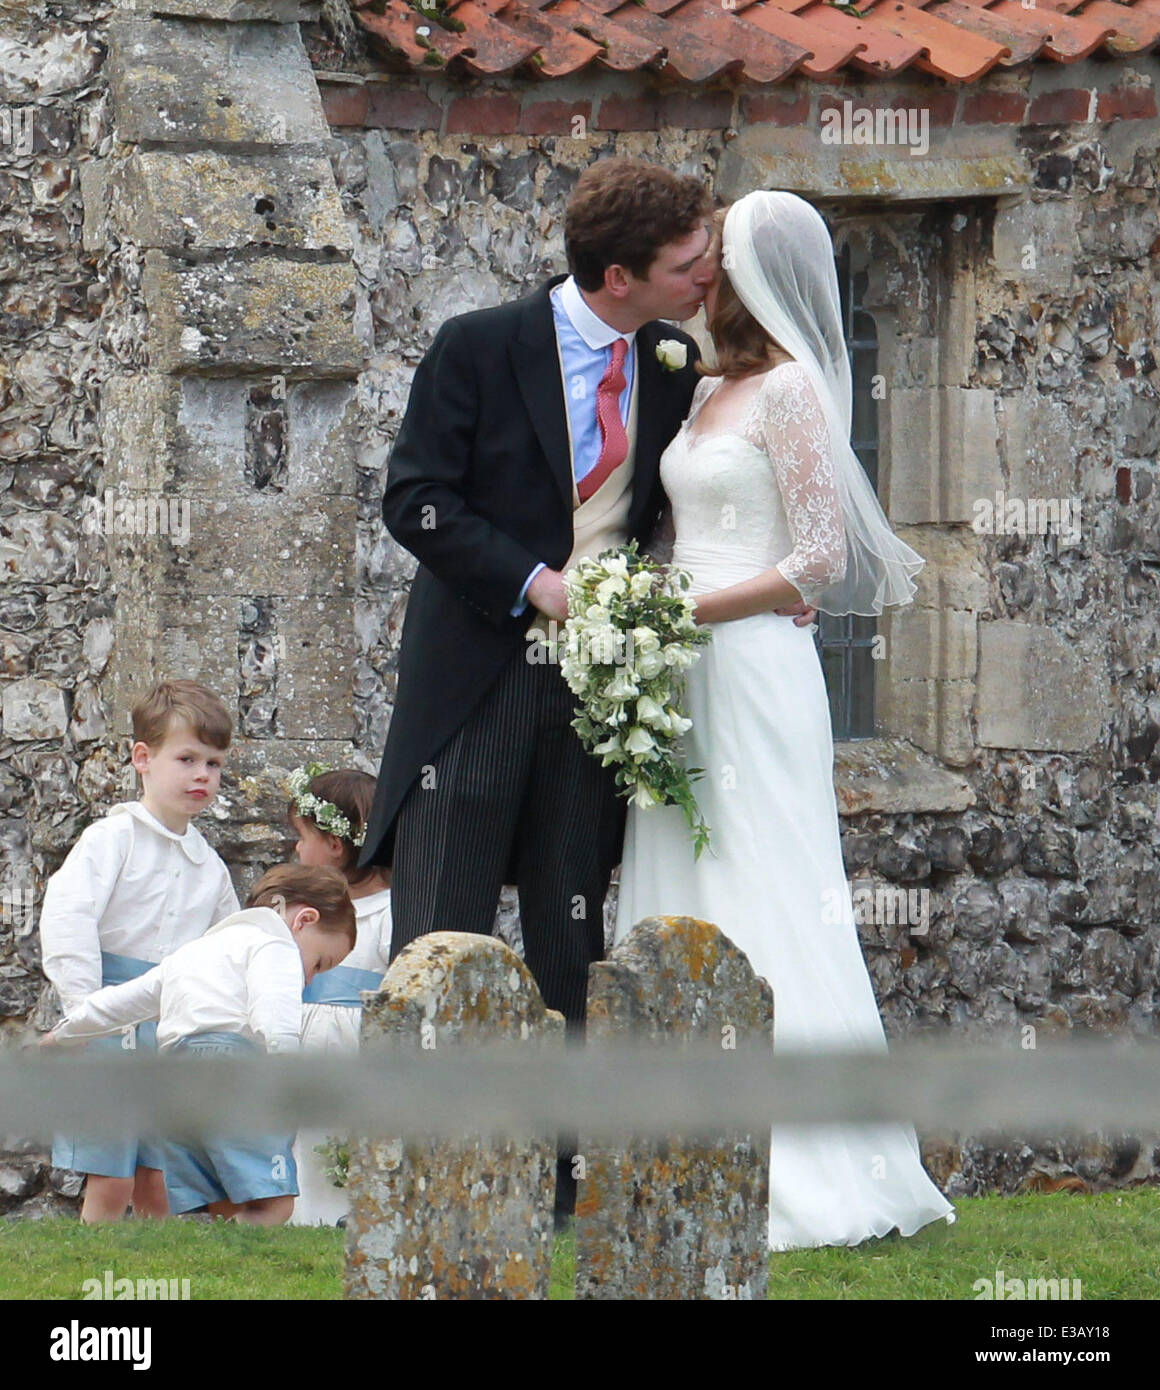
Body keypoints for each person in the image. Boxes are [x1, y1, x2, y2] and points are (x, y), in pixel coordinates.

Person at [615, 191, 955, 1249]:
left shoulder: (792, 391)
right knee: (680, 872)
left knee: (763, 876)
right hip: (680, 668)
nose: (699, 271)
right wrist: (646, 605)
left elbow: (815, 556)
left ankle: (806, 1162)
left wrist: (681, 608)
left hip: (751, 665)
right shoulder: (710, 384)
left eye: (714, 257)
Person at [43, 864, 356, 1226]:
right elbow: (275, 1008)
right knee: (271, 1203)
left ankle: (210, 1268)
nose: (309, 979)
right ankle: (248, 1271)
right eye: (319, 963)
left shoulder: (191, 953)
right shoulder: (276, 944)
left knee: (215, 1201)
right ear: (304, 919)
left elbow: (122, 1003)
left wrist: (63, 1034)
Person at [39, 679, 240, 1222]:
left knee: (160, 1167)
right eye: (188, 758)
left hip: (170, 1027)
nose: (203, 774)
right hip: (107, 1016)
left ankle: (158, 1265)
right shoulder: (111, 840)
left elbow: (225, 952)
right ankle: (95, 1270)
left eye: (215, 763)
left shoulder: (211, 868)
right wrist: (83, 1011)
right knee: (112, 1166)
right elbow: (69, 918)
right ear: (143, 758)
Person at [284, 766, 392, 1226]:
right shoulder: (305, 911)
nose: (295, 848)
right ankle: (294, 1216)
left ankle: (341, 1215)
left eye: (301, 836)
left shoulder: (389, 913)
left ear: (333, 845)